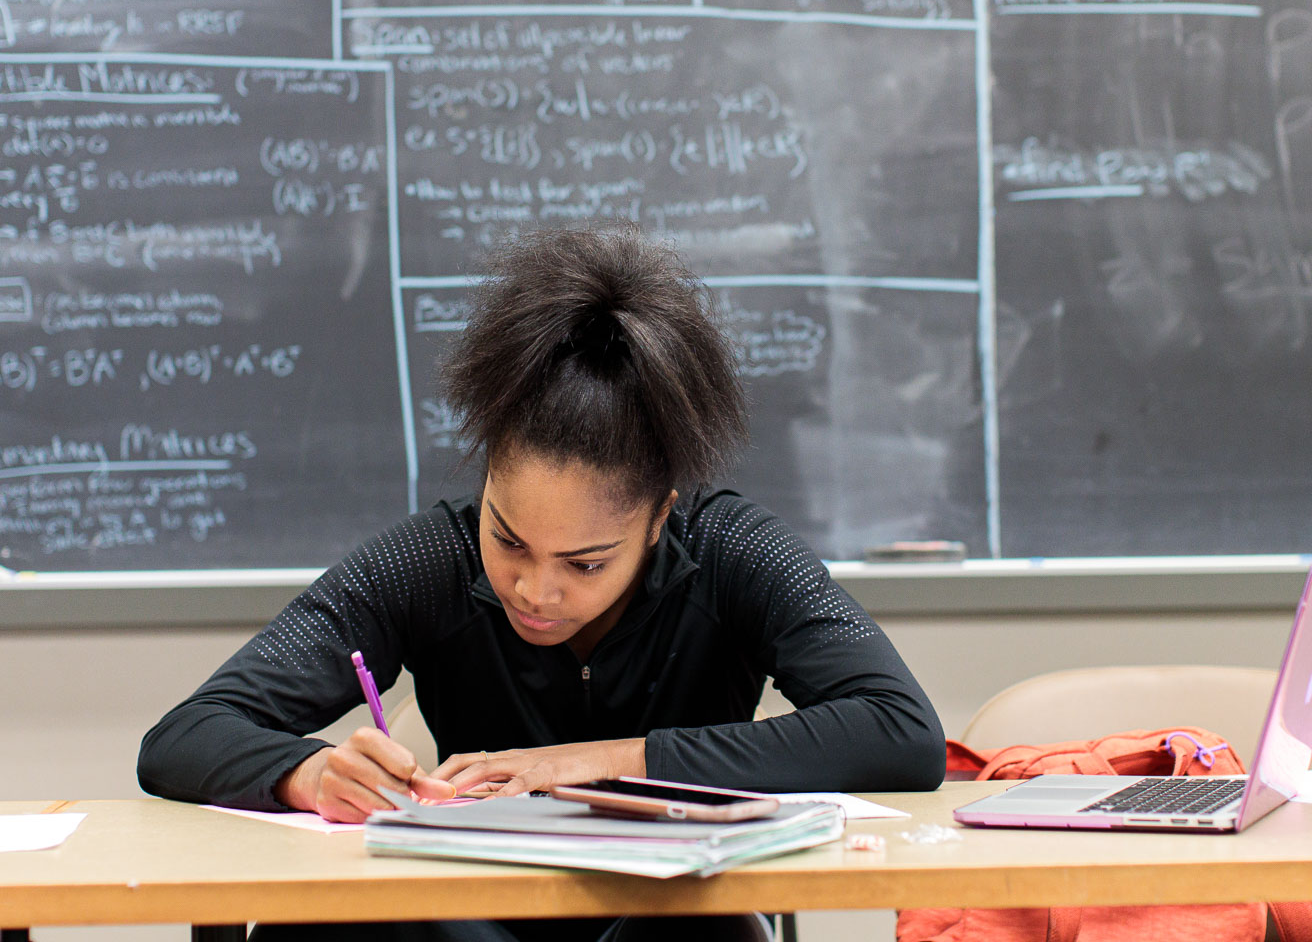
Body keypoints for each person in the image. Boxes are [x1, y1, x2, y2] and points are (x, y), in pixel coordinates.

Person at [138, 223, 946, 940]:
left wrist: (598, 762)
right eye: (508, 538)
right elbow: (187, 735)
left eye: (585, 564)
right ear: (486, 480)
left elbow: (899, 732)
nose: (534, 590)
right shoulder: (425, 562)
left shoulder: (734, 551)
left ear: (660, 518)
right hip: (477, 915)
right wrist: (309, 773)